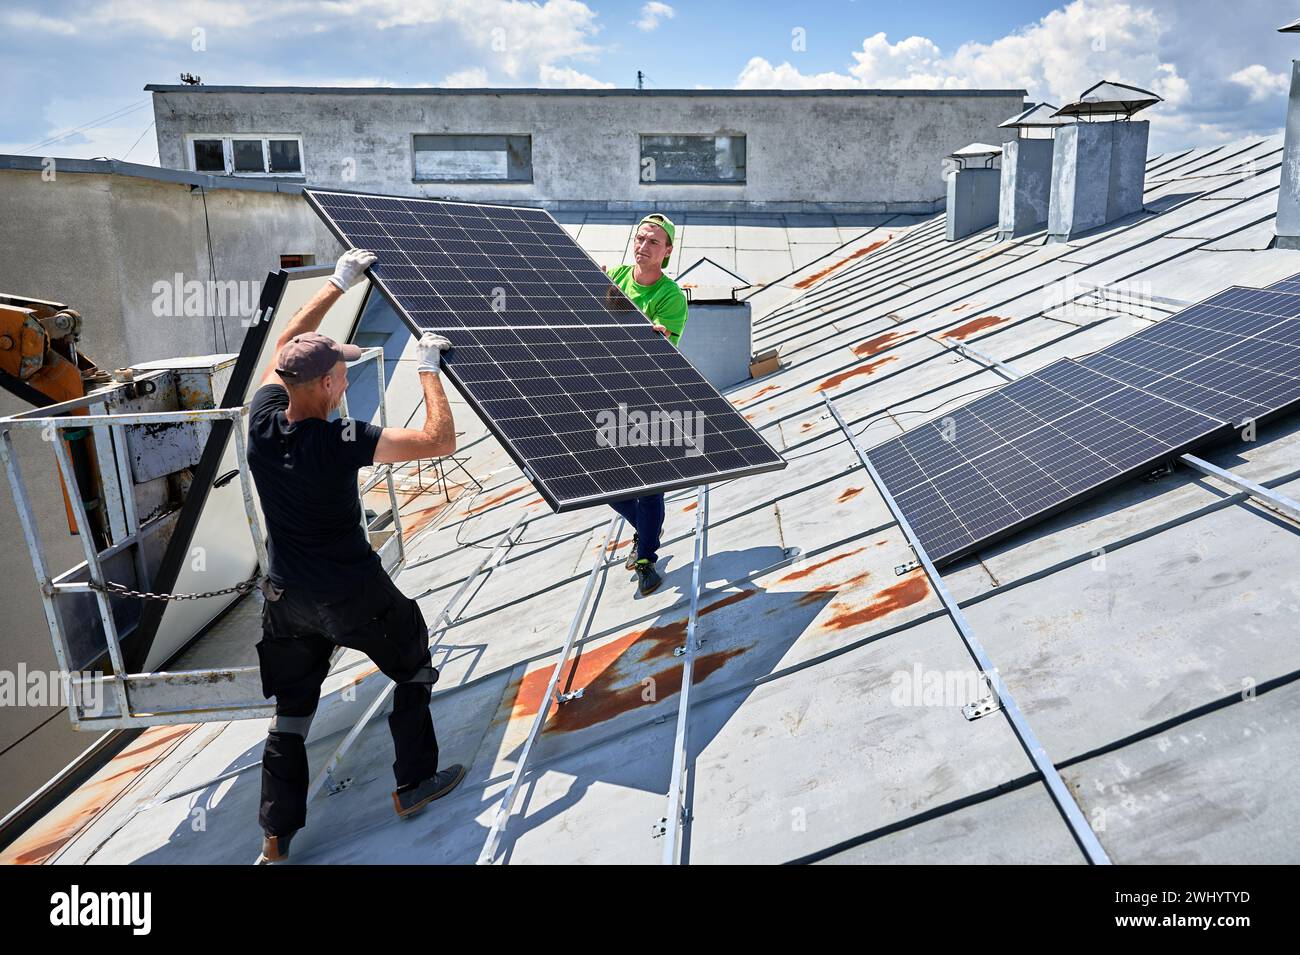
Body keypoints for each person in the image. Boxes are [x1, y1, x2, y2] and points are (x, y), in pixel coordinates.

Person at [247, 248, 465, 863]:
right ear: (325, 385)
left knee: (292, 714)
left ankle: (275, 839)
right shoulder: (342, 438)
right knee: (413, 661)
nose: (348, 375)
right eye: (341, 371)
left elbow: (286, 342)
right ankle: (413, 782)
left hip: (286, 601)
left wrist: (337, 284)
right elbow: (439, 441)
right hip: (351, 596)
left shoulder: (263, 420)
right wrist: (429, 369)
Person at [605, 213, 689, 596]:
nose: (643, 247)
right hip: (605, 389)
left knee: (649, 484)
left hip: (648, 394)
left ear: (667, 250)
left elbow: (657, 352)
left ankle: (646, 558)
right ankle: (644, 527)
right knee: (602, 481)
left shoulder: (670, 297)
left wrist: (649, 335)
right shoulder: (616, 278)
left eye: (654, 242)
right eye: (640, 239)